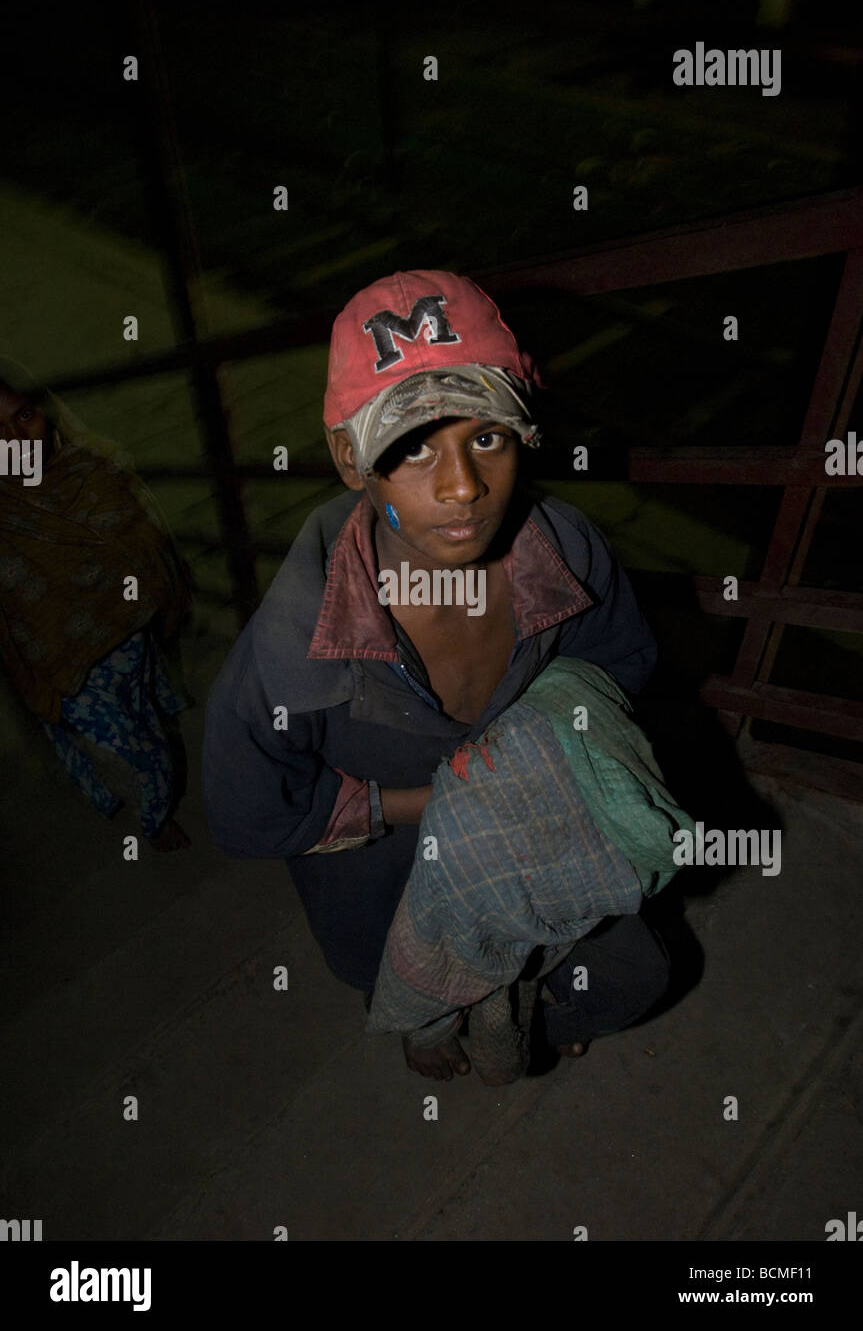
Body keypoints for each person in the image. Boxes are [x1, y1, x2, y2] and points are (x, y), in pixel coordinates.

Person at [202, 269, 669, 1077]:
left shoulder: (565, 551)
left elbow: (619, 660)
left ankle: (536, 1025)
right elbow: (251, 817)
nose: (462, 488)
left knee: (635, 973)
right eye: (410, 446)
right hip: (378, 865)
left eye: (485, 436)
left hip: (530, 820)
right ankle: (426, 1026)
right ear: (350, 460)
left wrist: (536, 758)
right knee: (394, 974)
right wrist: (435, 801)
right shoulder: (285, 660)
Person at [0, 359, 193, 852]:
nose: (14, 438)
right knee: (139, 751)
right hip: (63, 670)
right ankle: (155, 820)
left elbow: (147, 552)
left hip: (129, 640)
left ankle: (145, 805)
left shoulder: (94, 472)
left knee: (145, 726)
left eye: (23, 417)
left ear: (46, 413)